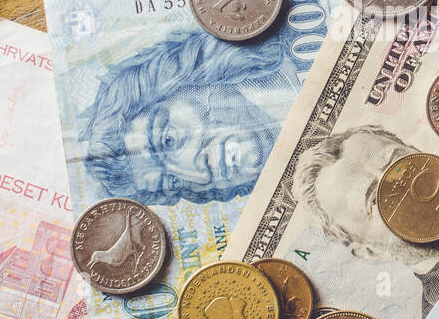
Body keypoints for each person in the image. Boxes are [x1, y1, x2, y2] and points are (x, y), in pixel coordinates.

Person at [293, 124, 439, 317]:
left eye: (398, 165)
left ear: (415, 150)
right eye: (374, 198)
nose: (403, 187)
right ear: (372, 251)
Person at [80, 28, 299, 206]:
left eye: (168, 140)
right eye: (172, 182)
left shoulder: (294, 49)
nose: (200, 175)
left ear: (181, 77)